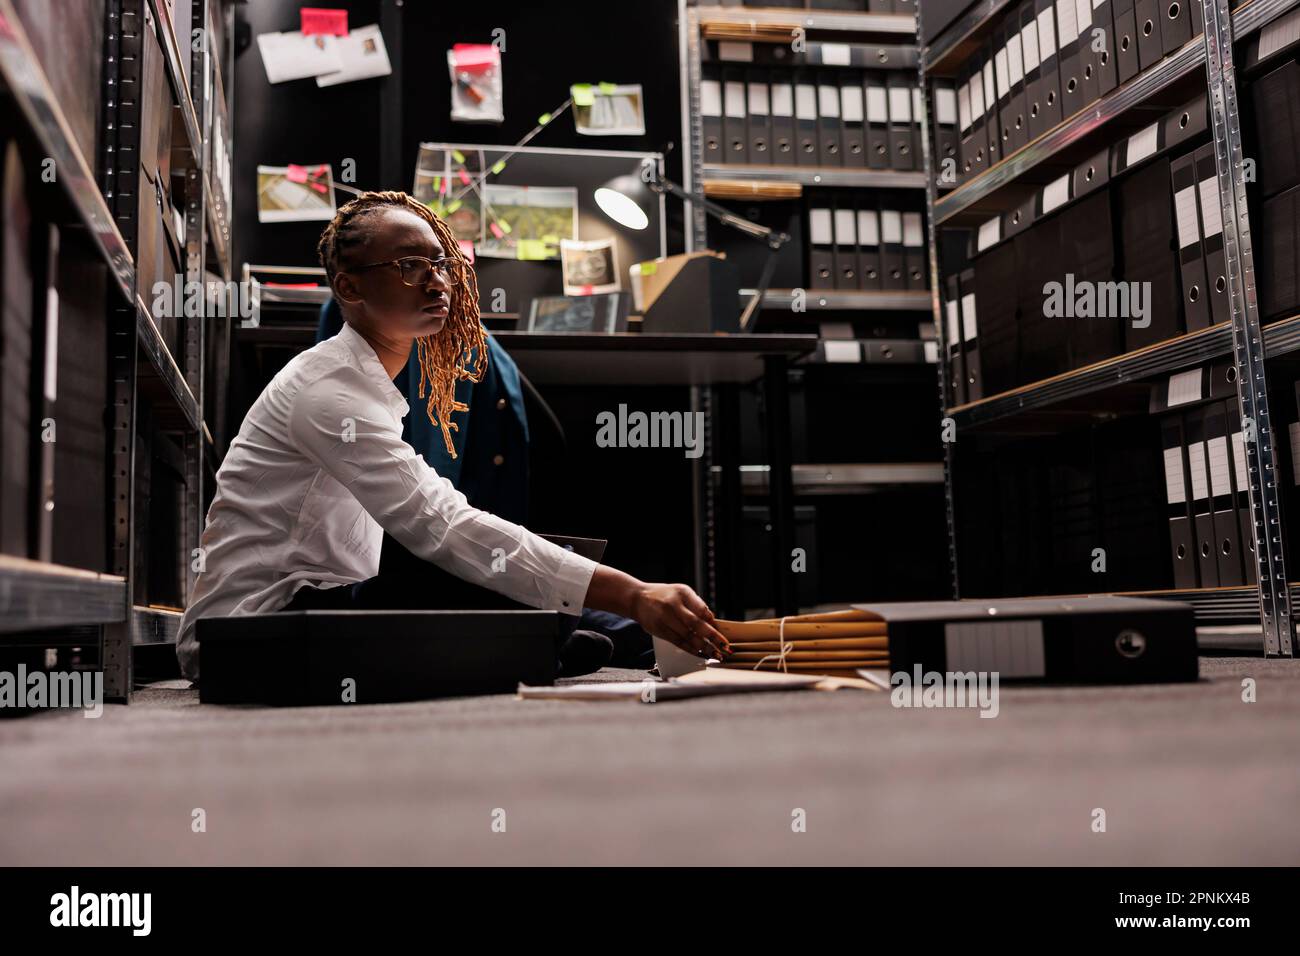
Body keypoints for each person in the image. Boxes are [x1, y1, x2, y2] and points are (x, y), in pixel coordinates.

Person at [175, 190, 728, 683]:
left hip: (325, 609)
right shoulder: (329, 394)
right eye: (409, 265)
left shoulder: (368, 385)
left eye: (439, 263)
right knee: (456, 563)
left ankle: (541, 642)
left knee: (493, 573)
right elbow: (441, 522)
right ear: (349, 286)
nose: (437, 280)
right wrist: (632, 592)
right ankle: (539, 644)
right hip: (243, 634)